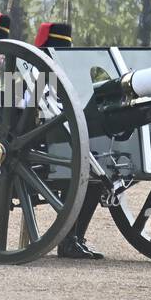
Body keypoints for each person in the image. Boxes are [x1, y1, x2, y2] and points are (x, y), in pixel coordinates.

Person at [34, 21, 102, 259]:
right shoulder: (31, 76)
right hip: (39, 147)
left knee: (97, 176)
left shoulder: (72, 80)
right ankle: (69, 239)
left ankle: (73, 238)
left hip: (69, 144)